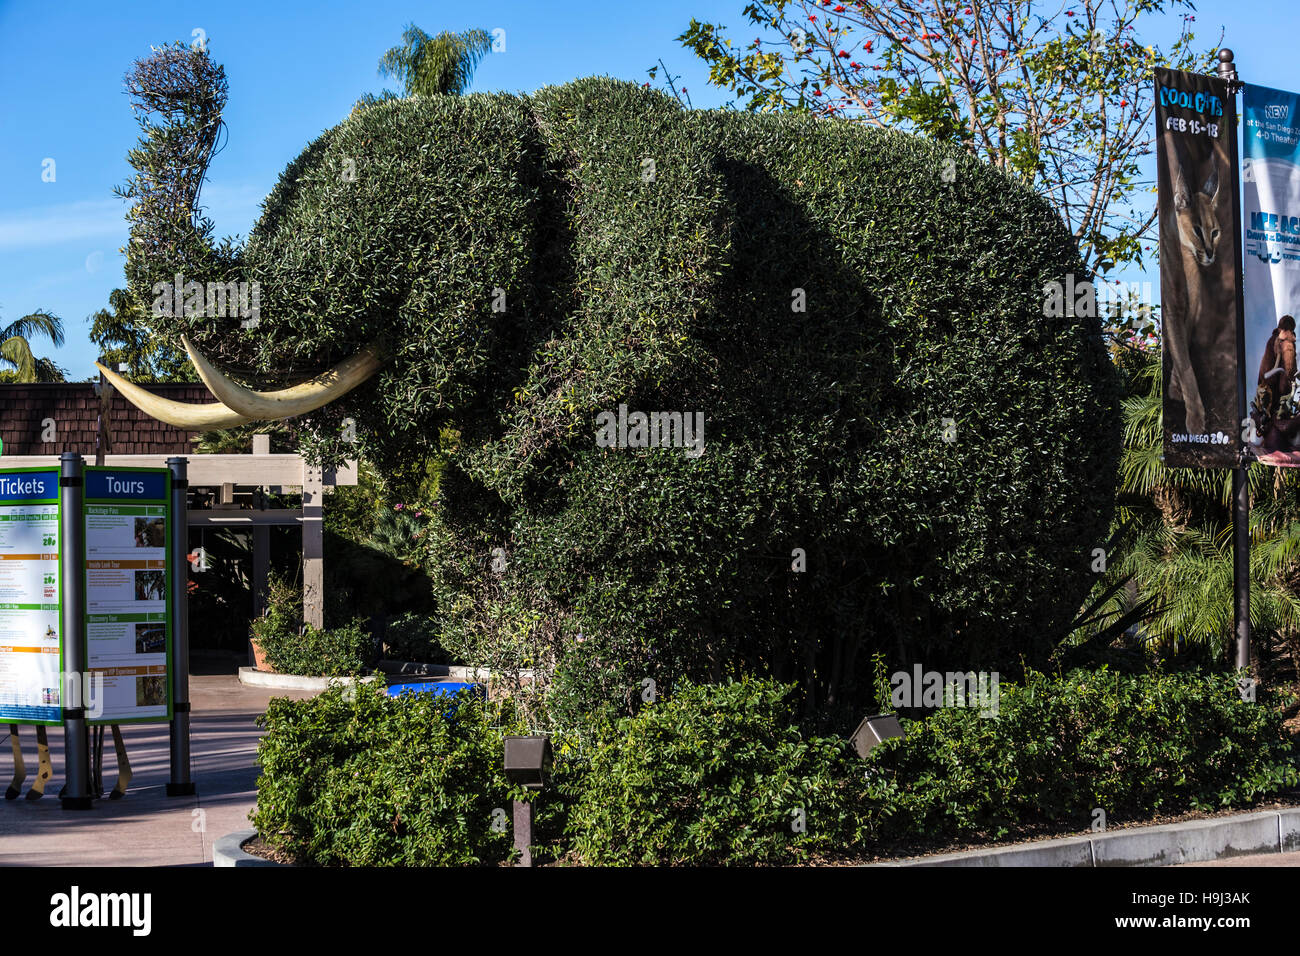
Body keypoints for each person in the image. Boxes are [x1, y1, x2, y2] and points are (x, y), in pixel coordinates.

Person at [1258, 314, 1297, 425]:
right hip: (1272, 389)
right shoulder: (1280, 343)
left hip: (1274, 388)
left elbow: (1290, 368)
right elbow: (1270, 369)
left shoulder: (1282, 342)